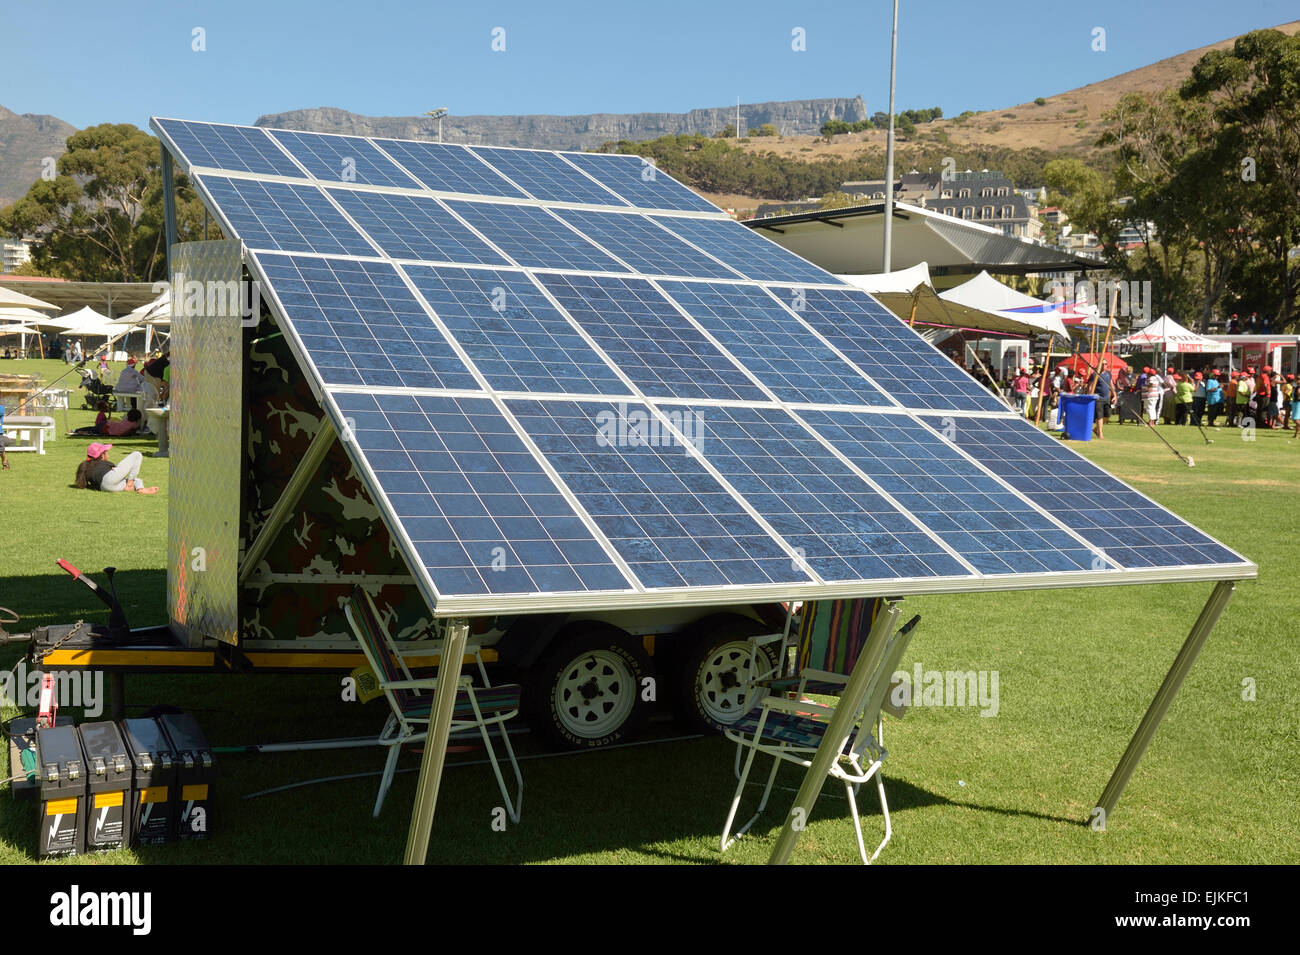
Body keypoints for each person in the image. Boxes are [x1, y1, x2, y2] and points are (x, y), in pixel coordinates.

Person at [74, 443, 157, 494]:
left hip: (105, 488)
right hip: (109, 479)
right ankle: (131, 484)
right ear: (102, 455)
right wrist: (130, 480)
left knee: (138, 480)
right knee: (137, 454)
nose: (108, 455)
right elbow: (116, 471)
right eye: (106, 453)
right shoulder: (103, 463)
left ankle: (140, 489)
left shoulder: (86, 466)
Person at [1091, 366, 1113, 439]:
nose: (1104, 365)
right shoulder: (1095, 374)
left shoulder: (1108, 373)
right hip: (1098, 398)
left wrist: (1115, 395)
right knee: (1099, 416)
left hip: (1106, 398)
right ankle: (1100, 433)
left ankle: (1095, 429)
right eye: (1102, 364)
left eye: (1105, 364)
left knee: (1107, 416)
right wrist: (1090, 395)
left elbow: (1111, 384)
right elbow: (1090, 385)